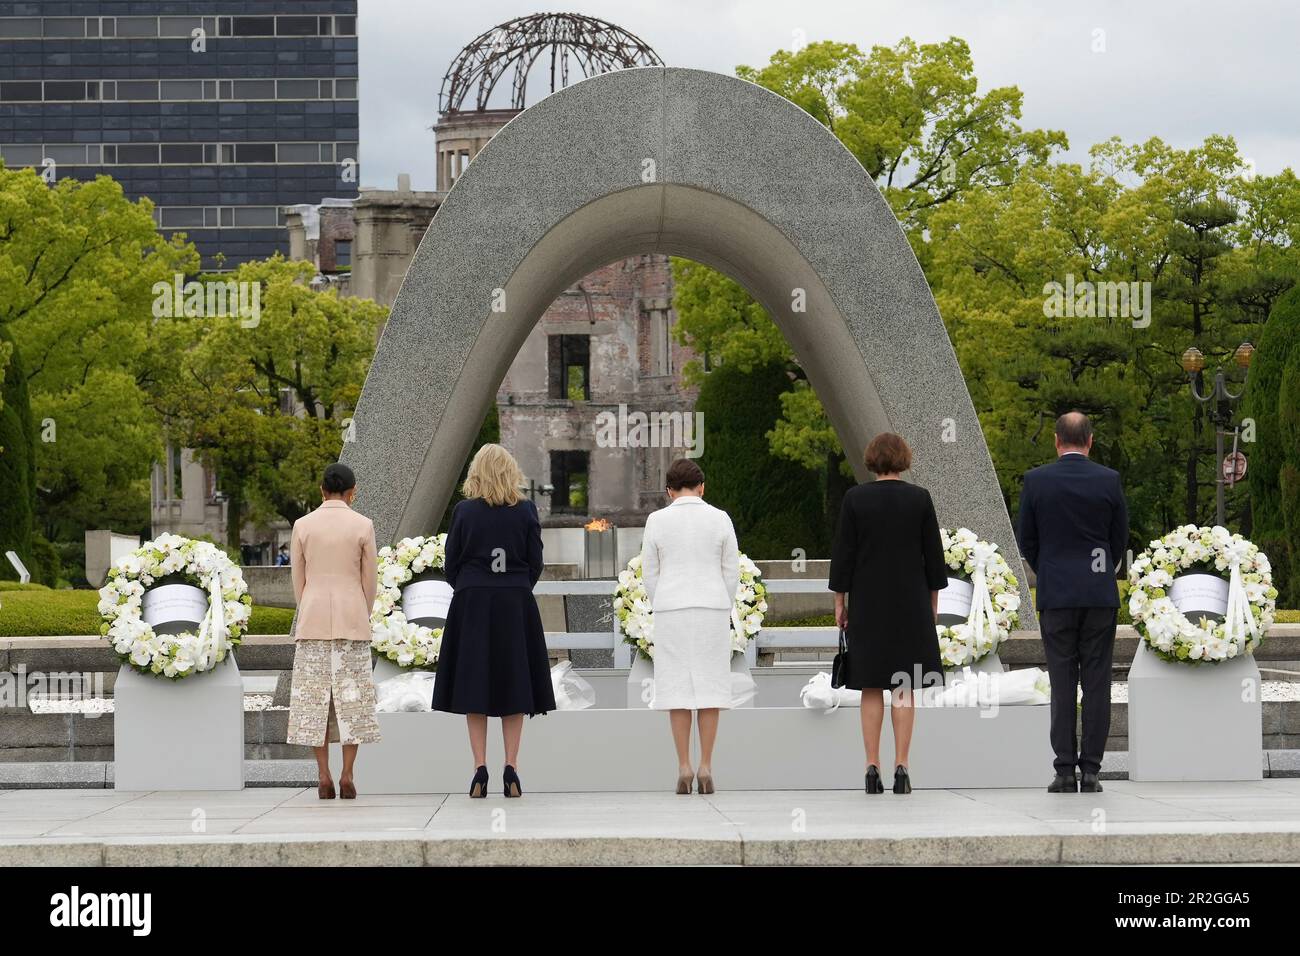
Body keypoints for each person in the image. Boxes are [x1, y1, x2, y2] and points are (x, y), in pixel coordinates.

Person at [432, 444, 555, 798]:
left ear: (477, 473)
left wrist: (471, 586)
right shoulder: (526, 510)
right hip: (514, 602)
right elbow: (536, 561)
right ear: (510, 472)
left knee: (476, 684)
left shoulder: (465, 511)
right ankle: (512, 767)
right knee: (514, 683)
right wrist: (516, 586)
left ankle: (479, 768)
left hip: (473, 602)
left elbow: (451, 561)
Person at [1016, 411, 1128, 794]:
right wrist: (1098, 570)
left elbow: (1027, 540)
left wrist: (1050, 568)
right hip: (1098, 595)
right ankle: (1092, 770)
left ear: (1055, 439)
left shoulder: (1036, 481)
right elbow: (1118, 540)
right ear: (1091, 441)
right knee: (1097, 683)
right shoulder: (1109, 480)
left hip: (1057, 594)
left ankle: (1064, 770)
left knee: (1062, 683)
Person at [829, 433, 948, 796]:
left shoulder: (855, 499)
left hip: (868, 602)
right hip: (910, 602)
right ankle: (902, 765)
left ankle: (871, 766)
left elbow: (844, 555)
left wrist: (840, 603)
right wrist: (931, 605)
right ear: (904, 459)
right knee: (902, 686)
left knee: (869, 685)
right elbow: (934, 557)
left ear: (871, 460)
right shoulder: (920, 499)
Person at [639, 458, 740, 795]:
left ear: (669, 490)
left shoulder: (656, 520)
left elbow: (650, 572)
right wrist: (721, 601)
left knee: (677, 690)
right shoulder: (720, 518)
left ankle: (683, 764)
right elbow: (731, 571)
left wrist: (662, 600)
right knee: (710, 689)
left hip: (672, 608)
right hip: (711, 606)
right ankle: (706, 765)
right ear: (702, 486)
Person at [286, 462, 382, 800]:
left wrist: (308, 604)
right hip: (351, 619)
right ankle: (347, 773)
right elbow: (370, 579)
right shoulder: (363, 525)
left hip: (312, 619)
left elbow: (298, 578)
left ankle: (323, 774)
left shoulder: (302, 525)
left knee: (315, 702)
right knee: (352, 700)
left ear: (321, 490)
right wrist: (362, 609)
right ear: (352, 492)